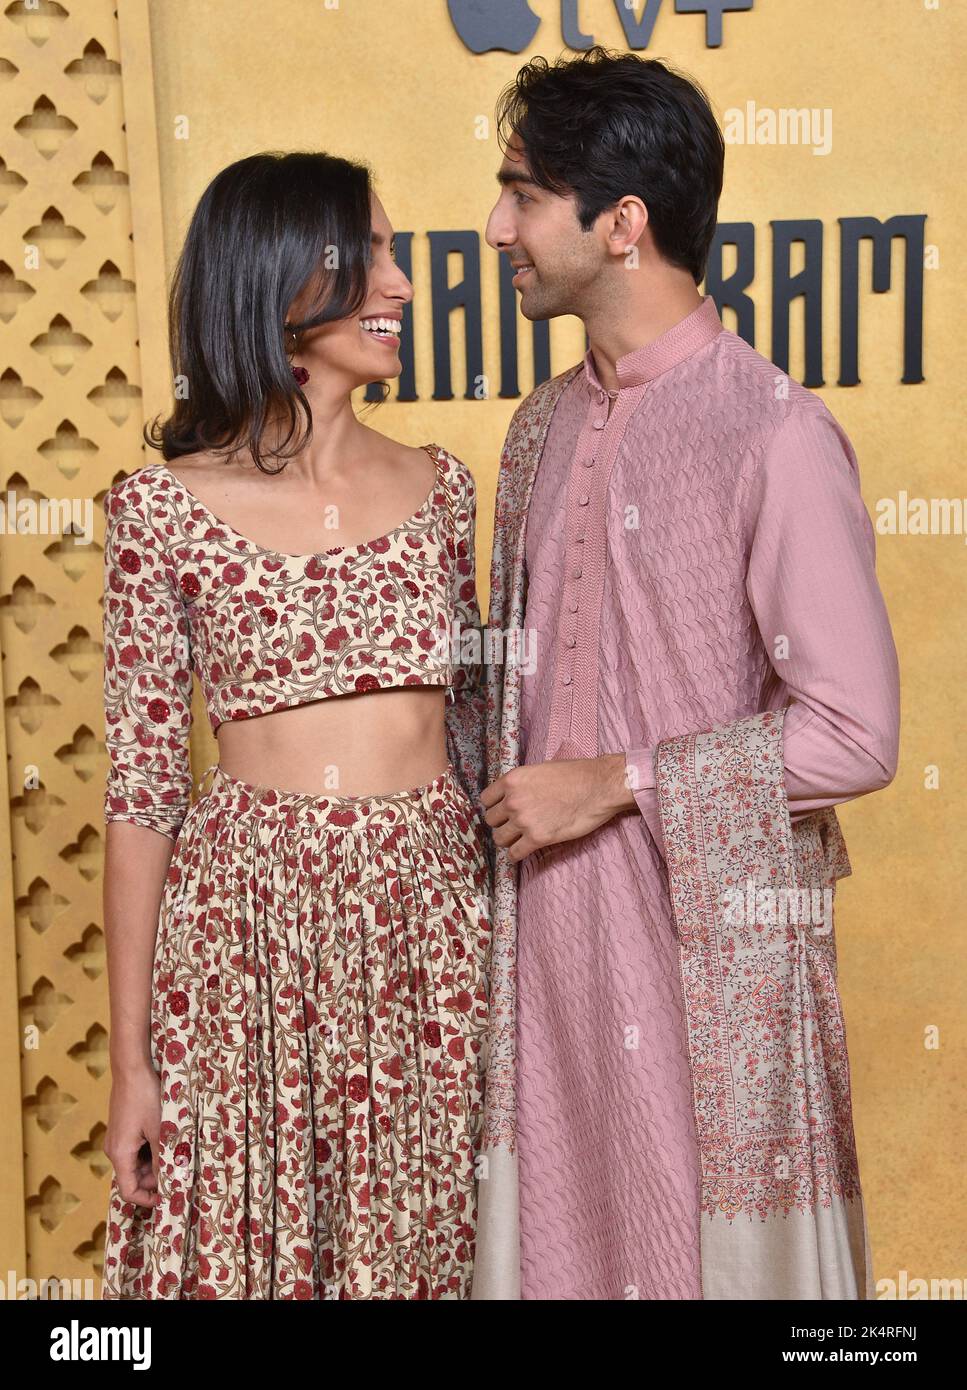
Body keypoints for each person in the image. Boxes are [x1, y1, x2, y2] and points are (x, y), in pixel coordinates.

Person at [472, 48, 900, 1300]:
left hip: (704, 948)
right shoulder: (539, 429)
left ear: (620, 225)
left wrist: (615, 780)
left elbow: (855, 734)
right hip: (545, 939)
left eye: (522, 194)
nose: (498, 226)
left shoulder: (770, 427)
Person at [99, 151, 491, 1300]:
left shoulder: (444, 488)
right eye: (363, 254)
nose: (401, 283)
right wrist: (131, 1065)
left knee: (429, 1245)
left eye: (392, 252)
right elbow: (140, 792)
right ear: (275, 281)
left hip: (429, 927)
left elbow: (475, 743)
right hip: (246, 943)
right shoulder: (161, 510)